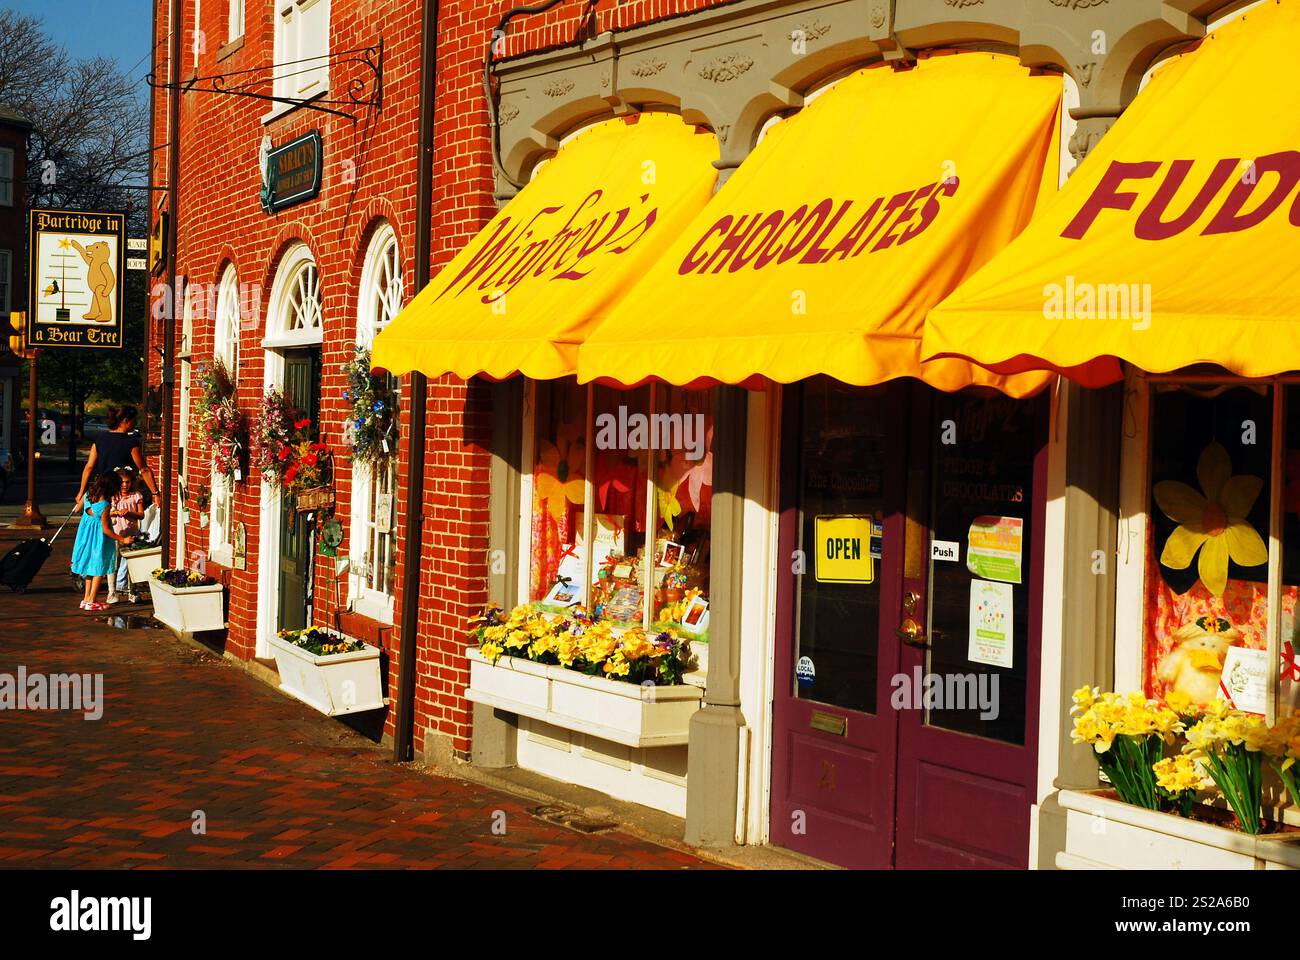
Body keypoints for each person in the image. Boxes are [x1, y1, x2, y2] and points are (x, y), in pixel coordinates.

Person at [75, 405, 159, 511]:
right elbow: (144, 469)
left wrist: (81, 491)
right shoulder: (131, 442)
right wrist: (155, 493)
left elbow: (89, 467)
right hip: (123, 491)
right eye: (134, 420)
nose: (135, 423)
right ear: (126, 420)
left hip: (103, 490)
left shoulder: (100, 438)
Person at [72, 473, 133, 612]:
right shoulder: (105, 504)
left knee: (89, 567)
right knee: (99, 567)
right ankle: (92, 600)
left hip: (85, 535)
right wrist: (123, 539)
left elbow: (77, 509)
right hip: (98, 538)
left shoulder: (88, 494)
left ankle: (86, 599)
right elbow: (105, 529)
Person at [107, 467, 145, 605]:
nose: (125, 485)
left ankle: (132, 591)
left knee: (132, 564)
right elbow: (106, 514)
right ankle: (112, 591)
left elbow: (141, 514)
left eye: (127, 482)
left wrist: (129, 512)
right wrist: (116, 512)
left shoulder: (136, 496)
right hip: (116, 534)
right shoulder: (113, 496)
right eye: (122, 482)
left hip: (132, 533)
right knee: (113, 562)